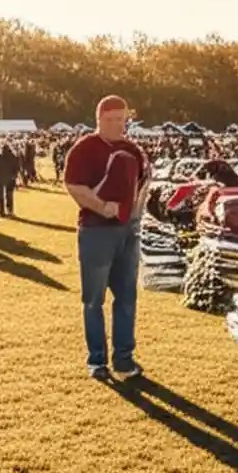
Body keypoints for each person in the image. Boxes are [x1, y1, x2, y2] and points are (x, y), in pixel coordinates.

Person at [64, 95, 149, 380]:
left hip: (128, 232)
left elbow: (143, 183)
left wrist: (134, 214)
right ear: (98, 119)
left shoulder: (133, 149)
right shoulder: (84, 149)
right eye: (109, 119)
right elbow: (73, 185)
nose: (116, 125)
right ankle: (97, 361)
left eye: (120, 119)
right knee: (94, 299)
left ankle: (124, 360)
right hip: (96, 231)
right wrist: (101, 207)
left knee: (126, 297)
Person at [0, 142, 19, 216]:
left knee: (1, 195)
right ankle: (10, 210)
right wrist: (15, 175)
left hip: (1, 178)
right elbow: (17, 167)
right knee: (9, 195)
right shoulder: (13, 156)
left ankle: (2, 211)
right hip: (10, 178)